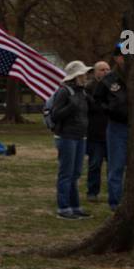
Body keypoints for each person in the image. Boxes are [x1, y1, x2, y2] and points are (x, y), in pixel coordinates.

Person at [48, 60, 91, 220]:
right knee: (66, 173)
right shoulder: (64, 92)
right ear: (76, 76)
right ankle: (63, 207)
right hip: (66, 137)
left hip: (80, 136)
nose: (86, 76)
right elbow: (55, 114)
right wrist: (70, 107)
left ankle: (75, 206)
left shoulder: (82, 92)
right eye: (83, 74)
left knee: (76, 173)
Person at [92, 45, 128, 211]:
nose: (126, 59)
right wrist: (109, 110)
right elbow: (97, 99)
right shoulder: (109, 79)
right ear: (116, 58)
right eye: (122, 56)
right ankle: (116, 204)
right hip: (117, 127)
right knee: (116, 166)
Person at [84, 60, 111, 201]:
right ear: (95, 72)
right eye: (102, 69)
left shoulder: (114, 87)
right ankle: (92, 192)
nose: (105, 72)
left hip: (112, 133)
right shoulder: (89, 88)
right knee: (95, 164)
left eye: (107, 69)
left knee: (113, 166)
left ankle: (114, 194)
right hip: (95, 133)